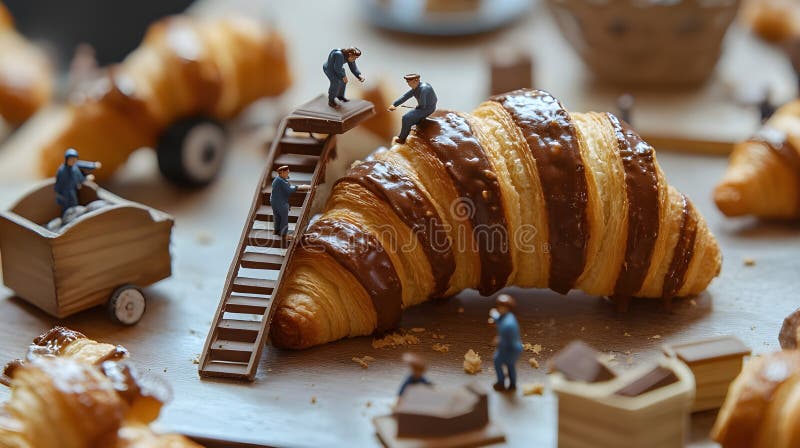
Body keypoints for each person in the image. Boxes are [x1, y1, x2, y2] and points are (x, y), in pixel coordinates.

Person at [388, 74, 437, 144]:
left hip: (428, 108)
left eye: (409, 82)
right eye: (407, 82)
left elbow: (423, 104)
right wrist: (394, 104)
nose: (408, 84)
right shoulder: (415, 89)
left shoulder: (424, 89)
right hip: (423, 107)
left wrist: (418, 106)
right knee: (410, 116)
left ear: (416, 81)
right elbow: (405, 96)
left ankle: (402, 138)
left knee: (406, 118)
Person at [54, 148, 101, 217]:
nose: (73, 161)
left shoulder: (74, 167)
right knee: (68, 206)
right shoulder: (62, 171)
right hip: (66, 192)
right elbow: (60, 183)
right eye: (71, 159)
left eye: (74, 159)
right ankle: (67, 218)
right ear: (67, 159)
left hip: (73, 189)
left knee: (74, 204)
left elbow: (83, 165)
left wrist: (93, 165)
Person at [490, 294, 522, 392]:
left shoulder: (508, 324)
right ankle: (510, 384)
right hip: (508, 347)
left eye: (501, 307)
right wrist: (494, 315)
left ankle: (503, 383)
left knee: (502, 363)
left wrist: (498, 340)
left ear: (507, 308)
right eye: (498, 307)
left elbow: (506, 338)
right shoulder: (507, 316)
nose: (499, 309)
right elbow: (499, 318)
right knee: (506, 365)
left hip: (510, 348)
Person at [270, 166, 310, 237]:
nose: (288, 174)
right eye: (287, 172)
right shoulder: (281, 181)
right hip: (281, 203)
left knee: (277, 217)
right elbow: (289, 190)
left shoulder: (277, 179)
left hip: (274, 201)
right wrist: (299, 187)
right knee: (284, 219)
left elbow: (286, 187)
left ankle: (276, 231)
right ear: (282, 172)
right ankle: (284, 234)